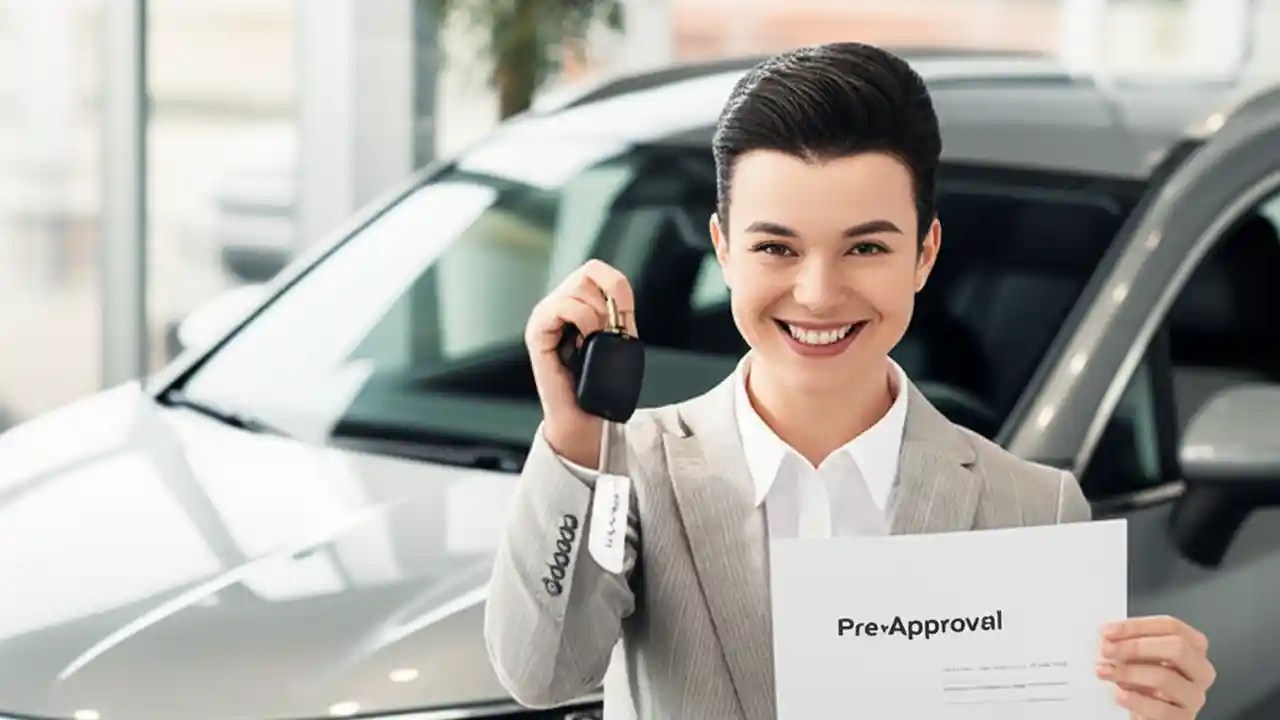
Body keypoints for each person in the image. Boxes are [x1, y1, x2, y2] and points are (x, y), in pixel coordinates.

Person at [484, 42, 1217, 719]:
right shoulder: (632, 471)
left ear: (925, 253)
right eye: (776, 246)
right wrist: (576, 441)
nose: (817, 294)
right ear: (723, 249)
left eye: (865, 246)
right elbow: (539, 675)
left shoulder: (1033, 506)